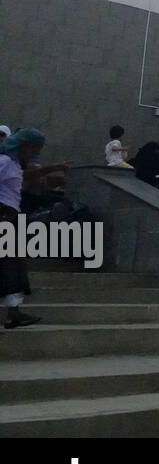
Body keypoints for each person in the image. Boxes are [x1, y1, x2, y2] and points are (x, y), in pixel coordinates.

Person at [1, 128, 69, 329]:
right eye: (35, 149)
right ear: (24, 146)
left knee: (13, 265)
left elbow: (25, 175)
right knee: (11, 264)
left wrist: (52, 168)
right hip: (3, 215)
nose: (35, 154)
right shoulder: (4, 161)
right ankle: (13, 313)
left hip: (9, 216)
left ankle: (14, 313)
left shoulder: (12, 164)